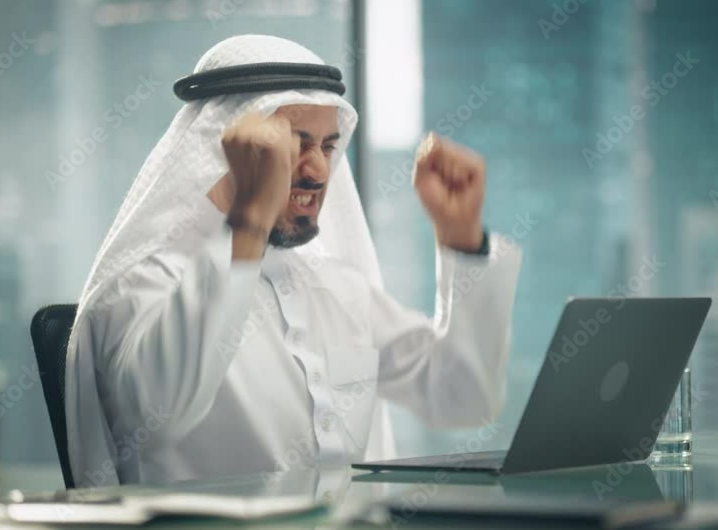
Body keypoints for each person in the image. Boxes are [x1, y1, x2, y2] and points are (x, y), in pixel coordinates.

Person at [64, 35, 522, 487]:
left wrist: (461, 238)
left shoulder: (333, 286)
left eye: (325, 146)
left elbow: (461, 396)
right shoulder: (141, 285)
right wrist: (248, 223)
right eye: (294, 145)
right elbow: (158, 417)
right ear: (222, 151)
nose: (319, 170)